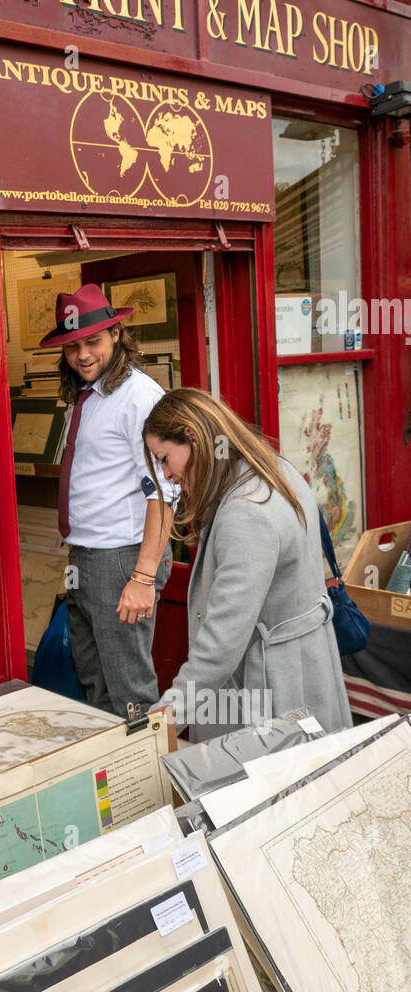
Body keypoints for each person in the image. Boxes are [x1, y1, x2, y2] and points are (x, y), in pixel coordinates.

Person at [141, 387, 353, 741]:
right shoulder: (273, 468)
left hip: (269, 694)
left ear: (192, 437)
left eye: (164, 458)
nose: (166, 474)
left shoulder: (245, 511)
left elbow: (221, 644)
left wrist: (165, 719)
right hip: (305, 673)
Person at [38, 282, 175, 719]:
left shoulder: (140, 397)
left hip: (123, 557)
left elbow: (165, 491)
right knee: (95, 682)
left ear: (117, 335)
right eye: (73, 345)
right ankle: (112, 780)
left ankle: (145, 782)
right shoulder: (90, 394)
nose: (82, 354)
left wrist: (143, 577)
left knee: (128, 691)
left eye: (93, 341)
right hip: (89, 556)